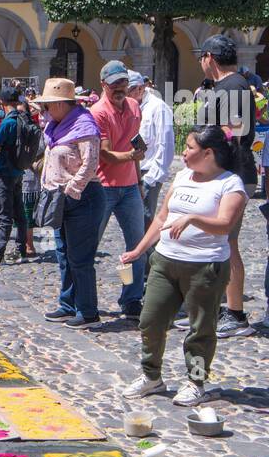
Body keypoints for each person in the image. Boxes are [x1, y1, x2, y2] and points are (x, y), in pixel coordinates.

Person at [121, 126, 248, 407]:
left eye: (189, 148)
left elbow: (225, 225)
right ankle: (151, 376)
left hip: (205, 267)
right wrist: (139, 251)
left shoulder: (230, 184)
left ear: (208, 153)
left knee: (201, 331)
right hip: (165, 261)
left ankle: (196, 381)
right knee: (150, 320)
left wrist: (192, 219)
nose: (184, 153)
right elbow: (161, 218)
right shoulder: (181, 176)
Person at [195, 34, 259, 339]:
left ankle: (236, 314)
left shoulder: (231, 87)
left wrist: (203, 140)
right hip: (229, 173)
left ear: (209, 57)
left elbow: (232, 131)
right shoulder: (230, 86)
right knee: (216, 244)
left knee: (227, 244)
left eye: (201, 58)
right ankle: (217, 308)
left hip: (232, 175)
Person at [36, 77, 106, 329]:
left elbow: (90, 162)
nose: (45, 110)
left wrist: (72, 190)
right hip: (60, 197)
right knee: (64, 254)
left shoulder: (84, 125)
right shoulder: (55, 126)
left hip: (82, 197)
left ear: (63, 104)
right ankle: (68, 305)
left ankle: (88, 312)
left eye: (49, 105)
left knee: (80, 258)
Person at [92, 60, 145, 319]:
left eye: (124, 82)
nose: (120, 88)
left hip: (130, 187)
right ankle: (84, 298)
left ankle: (132, 298)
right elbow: (105, 155)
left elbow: (135, 145)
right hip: (104, 187)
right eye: (115, 84)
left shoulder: (135, 106)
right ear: (103, 85)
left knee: (137, 245)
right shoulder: (98, 112)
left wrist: (139, 180)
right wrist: (133, 157)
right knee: (90, 244)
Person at [0, 87, 36, 267]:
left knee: (4, 215)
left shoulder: (7, 123)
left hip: (4, 172)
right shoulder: (22, 118)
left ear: (2, 103)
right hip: (18, 171)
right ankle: (21, 249)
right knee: (20, 214)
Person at [131, 71, 176, 227]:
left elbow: (166, 144)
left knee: (144, 218)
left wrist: (152, 178)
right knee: (133, 219)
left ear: (140, 89)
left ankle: (148, 251)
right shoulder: (129, 107)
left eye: (128, 90)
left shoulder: (158, 108)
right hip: (130, 170)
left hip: (148, 172)